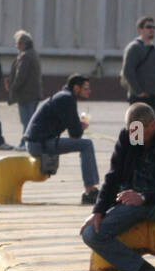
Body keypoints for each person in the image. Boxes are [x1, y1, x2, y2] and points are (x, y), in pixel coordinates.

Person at [80, 102, 155, 271]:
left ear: (152, 125)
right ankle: (140, 270)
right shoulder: (129, 138)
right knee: (91, 233)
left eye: (138, 131)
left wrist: (143, 197)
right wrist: (98, 211)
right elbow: (113, 176)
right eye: (131, 131)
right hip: (130, 203)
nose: (135, 136)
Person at [24, 74, 100, 204]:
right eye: (86, 88)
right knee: (86, 145)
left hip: (37, 142)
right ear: (76, 88)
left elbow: (73, 132)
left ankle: (91, 189)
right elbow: (75, 134)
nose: (89, 91)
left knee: (85, 144)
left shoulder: (64, 96)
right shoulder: (67, 99)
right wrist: (81, 127)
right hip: (39, 144)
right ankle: (90, 190)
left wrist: (78, 127)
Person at [121, 17, 155, 112]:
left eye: (154, 27)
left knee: (150, 125)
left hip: (153, 97)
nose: (152, 29)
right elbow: (128, 71)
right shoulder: (134, 48)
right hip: (138, 97)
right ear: (140, 30)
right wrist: (139, 91)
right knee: (137, 124)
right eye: (148, 27)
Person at [6, 30, 42, 136]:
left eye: (17, 42)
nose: (16, 45)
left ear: (22, 43)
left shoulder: (25, 56)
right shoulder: (33, 54)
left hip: (25, 94)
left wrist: (13, 88)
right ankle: (28, 141)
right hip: (33, 93)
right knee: (30, 119)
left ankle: (26, 142)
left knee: (26, 120)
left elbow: (20, 76)